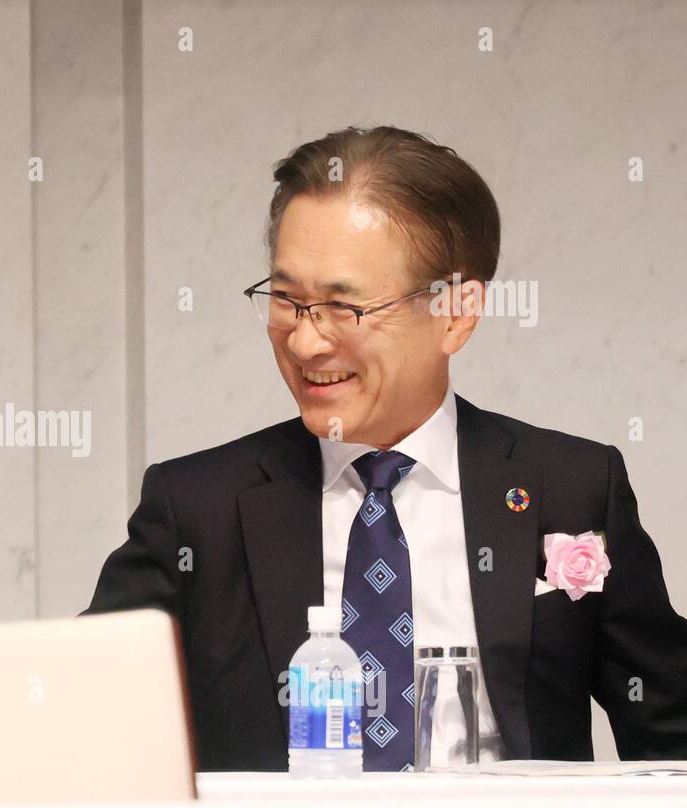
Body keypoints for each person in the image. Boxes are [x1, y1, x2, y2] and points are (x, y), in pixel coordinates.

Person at [86, 126, 687, 772]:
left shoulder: (571, 487)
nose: (306, 342)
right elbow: (75, 724)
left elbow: (671, 729)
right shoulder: (198, 509)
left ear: (456, 313)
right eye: (288, 299)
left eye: (345, 308)